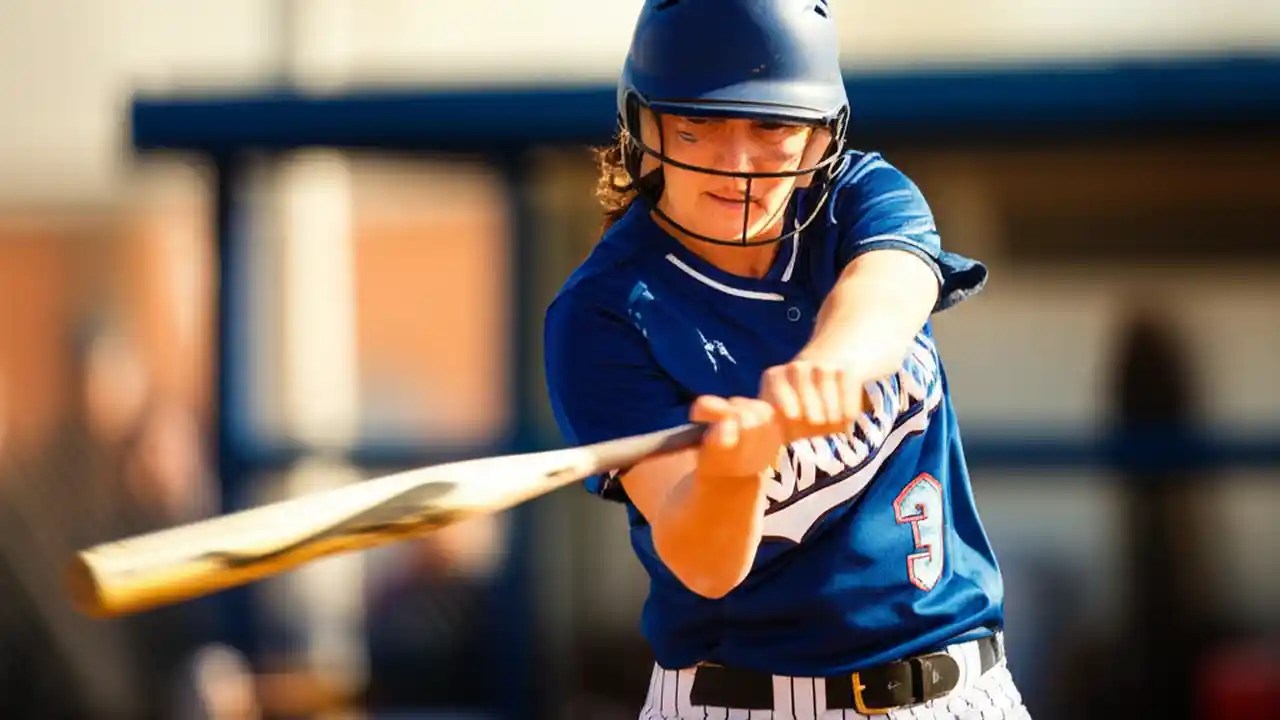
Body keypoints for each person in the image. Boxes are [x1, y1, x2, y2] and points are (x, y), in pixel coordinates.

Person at [543, 1, 1028, 718]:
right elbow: (703, 563)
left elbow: (893, 287)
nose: (736, 163)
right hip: (745, 700)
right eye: (698, 122)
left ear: (818, 137)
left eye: (771, 123)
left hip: (960, 689)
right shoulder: (603, 312)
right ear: (644, 127)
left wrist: (833, 363)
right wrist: (737, 471)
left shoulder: (859, 197)